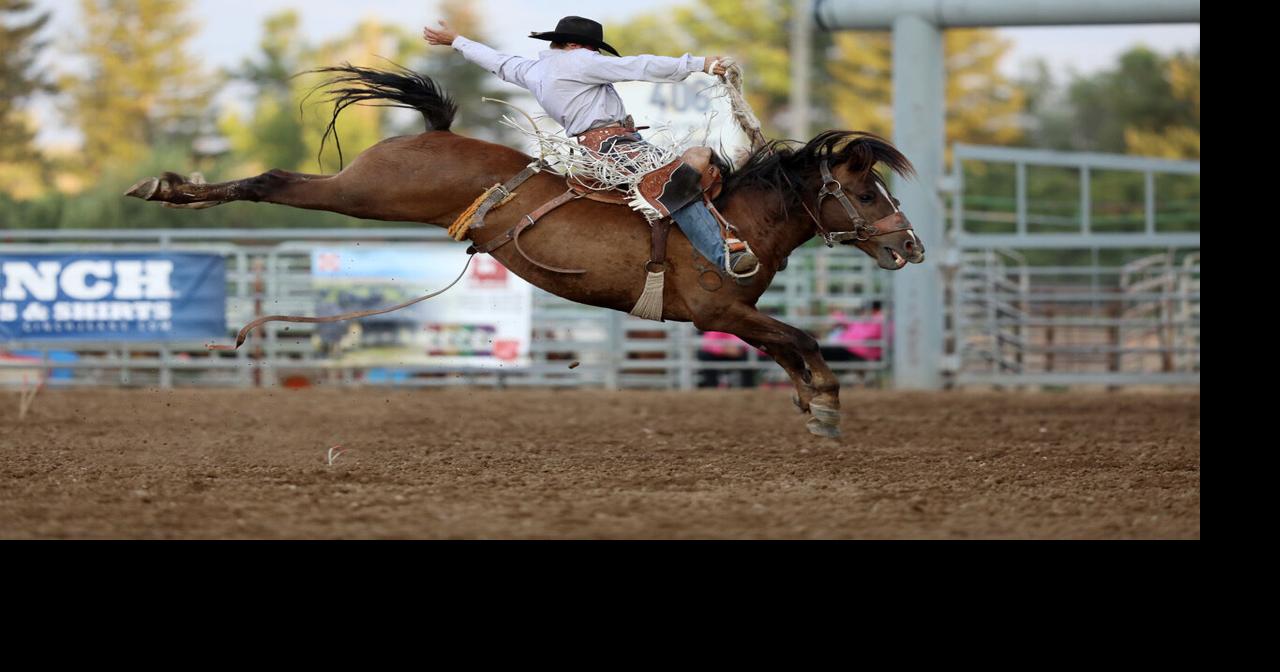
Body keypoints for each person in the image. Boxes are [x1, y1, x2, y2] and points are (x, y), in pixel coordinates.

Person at [423, 15, 759, 276]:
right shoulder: (580, 62)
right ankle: (721, 254)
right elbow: (636, 65)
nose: (596, 53)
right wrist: (699, 63)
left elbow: (496, 60)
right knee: (676, 185)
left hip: (604, 147)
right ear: (575, 45)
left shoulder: (533, 69)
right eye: (592, 47)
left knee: (700, 165)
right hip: (616, 147)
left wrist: (457, 40)